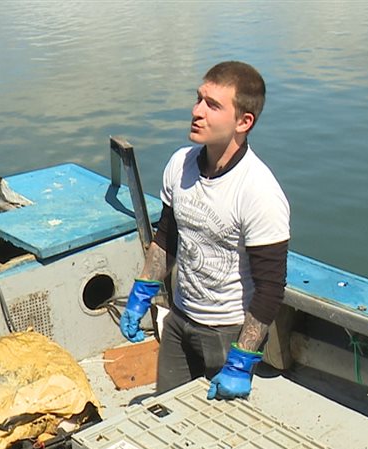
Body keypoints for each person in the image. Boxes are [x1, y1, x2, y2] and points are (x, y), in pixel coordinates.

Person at [118, 61, 290, 400]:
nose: (197, 112)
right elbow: (167, 237)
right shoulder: (180, 164)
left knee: (224, 433)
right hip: (180, 319)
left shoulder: (259, 192)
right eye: (198, 99)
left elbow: (270, 289)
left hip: (228, 332)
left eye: (212, 105)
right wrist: (142, 292)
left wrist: (242, 360)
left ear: (244, 122)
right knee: (169, 414)